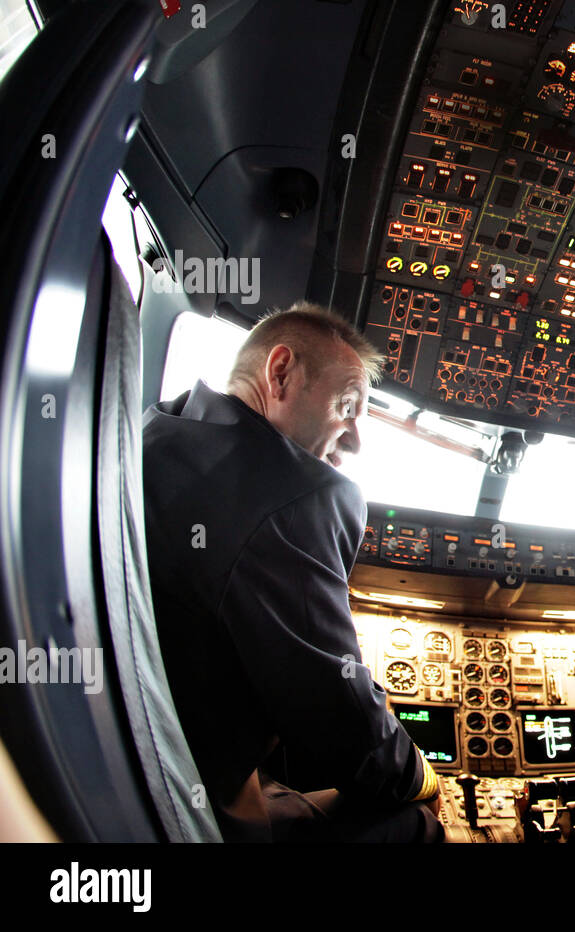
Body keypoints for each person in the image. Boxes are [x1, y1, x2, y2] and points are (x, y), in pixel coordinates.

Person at [141, 302, 440, 842]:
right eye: (348, 407)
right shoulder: (296, 496)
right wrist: (421, 775)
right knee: (418, 823)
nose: (356, 439)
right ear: (279, 372)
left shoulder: (156, 427)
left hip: (150, 765)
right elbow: (343, 726)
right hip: (196, 811)